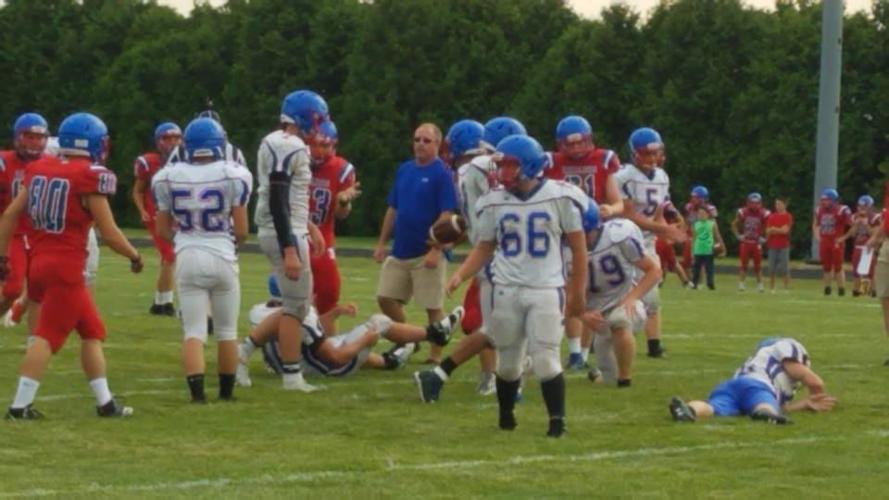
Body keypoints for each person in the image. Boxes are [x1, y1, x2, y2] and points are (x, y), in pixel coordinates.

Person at [0, 112, 144, 419]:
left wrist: (2, 256)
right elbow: (109, 232)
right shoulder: (88, 175)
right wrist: (134, 255)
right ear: (94, 142)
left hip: (38, 261)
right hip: (66, 267)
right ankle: (19, 407)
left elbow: (10, 215)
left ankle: (105, 403)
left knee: (92, 330)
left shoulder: (39, 168)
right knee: (46, 337)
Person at [445, 134, 588, 438]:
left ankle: (557, 423)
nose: (504, 172)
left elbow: (578, 248)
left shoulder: (560, 195)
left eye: (511, 165)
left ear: (530, 164)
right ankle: (506, 416)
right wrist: (462, 274)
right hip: (507, 288)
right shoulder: (494, 200)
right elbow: (484, 246)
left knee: (546, 357)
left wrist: (578, 293)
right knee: (508, 363)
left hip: (546, 289)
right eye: (502, 165)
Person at [152, 117, 253, 403]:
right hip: (222, 253)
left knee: (193, 330)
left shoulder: (168, 175)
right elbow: (243, 231)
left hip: (187, 255)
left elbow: (161, 229)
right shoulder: (234, 174)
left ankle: (197, 396)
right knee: (226, 330)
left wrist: (185, 240)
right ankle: (226, 393)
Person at [413, 118, 507, 402]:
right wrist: (457, 233)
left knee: (483, 321)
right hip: (494, 251)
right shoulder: (486, 168)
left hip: (500, 256)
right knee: (483, 321)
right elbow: (482, 218)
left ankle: (496, 375)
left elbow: (490, 215)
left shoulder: (472, 169)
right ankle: (498, 373)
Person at [254, 89, 329, 392]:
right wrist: (290, 248)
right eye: (316, 118)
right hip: (283, 233)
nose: (319, 125)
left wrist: (308, 225)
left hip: (284, 229)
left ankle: (246, 351)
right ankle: (291, 375)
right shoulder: (289, 144)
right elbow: (278, 198)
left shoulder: (278, 142)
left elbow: (286, 199)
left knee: (295, 305)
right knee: (296, 307)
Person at [374, 122, 458, 365]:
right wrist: (381, 243)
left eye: (426, 140)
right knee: (385, 297)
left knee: (432, 306)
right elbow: (393, 208)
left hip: (425, 251)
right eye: (416, 139)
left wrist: (436, 249)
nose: (420, 144)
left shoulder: (442, 174)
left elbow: (446, 215)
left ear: (438, 145)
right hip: (400, 250)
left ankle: (435, 355)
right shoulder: (405, 169)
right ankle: (410, 337)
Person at [544, 115, 623, 370]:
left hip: (593, 235)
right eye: (570, 144)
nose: (576, 149)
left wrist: (609, 210)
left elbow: (618, 202)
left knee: (590, 295)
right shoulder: (550, 162)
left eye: (581, 143)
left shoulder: (603, 159)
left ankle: (583, 353)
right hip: (562, 236)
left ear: (590, 140)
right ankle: (576, 352)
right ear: (560, 144)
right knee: (570, 292)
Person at [237, 295, 463, 384]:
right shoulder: (301, 316)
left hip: (302, 361)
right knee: (379, 322)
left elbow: (317, 336)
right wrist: (366, 340)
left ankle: (391, 361)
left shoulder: (260, 314)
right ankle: (434, 333)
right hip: (327, 367)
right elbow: (337, 357)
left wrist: (334, 313)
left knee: (340, 340)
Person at [615, 127, 686, 358]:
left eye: (655, 153)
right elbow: (627, 214)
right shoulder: (622, 176)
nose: (652, 158)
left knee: (652, 297)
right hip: (622, 240)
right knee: (612, 293)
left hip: (646, 242)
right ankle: (601, 340)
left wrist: (667, 232)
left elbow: (657, 213)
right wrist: (663, 229)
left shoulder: (662, 177)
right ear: (635, 153)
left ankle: (654, 345)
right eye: (647, 154)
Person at [580, 200, 659, 387]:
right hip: (598, 311)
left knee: (619, 319)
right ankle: (600, 375)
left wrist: (632, 298)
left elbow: (654, 270)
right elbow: (567, 293)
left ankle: (625, 379)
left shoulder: (618, 235)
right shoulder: (566, 249)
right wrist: (582, 314)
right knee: (607, 379)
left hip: (625, 299)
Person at [669, 337, 837, 424]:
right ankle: (764, 414)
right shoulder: (783, 350)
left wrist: (806, 404)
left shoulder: (757, 361)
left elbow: (783, 408)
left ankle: (689, 409)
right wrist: (819, 397)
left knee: (712, 407)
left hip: (730, 387)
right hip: (757, 386)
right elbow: (814, 382)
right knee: (763, 405)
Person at [308, 120, 361, 328]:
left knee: (329, 292)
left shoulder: (342, 169)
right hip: (295, 235)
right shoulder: (296, 162)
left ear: (334, 145)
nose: (318, 151)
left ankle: (327, 347)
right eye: (314, 145)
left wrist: (343, 201)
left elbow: (341, 215)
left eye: (325, 146)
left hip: (323, 237)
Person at [0, 113, 49, 322]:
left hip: (39, 234)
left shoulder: (50, 164)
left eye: (39, 138)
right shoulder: (3, 162)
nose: (35, 142)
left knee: (41, 288)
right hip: (12, 232)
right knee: (12, 288)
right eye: (29, 137)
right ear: (18, 137)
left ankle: (33, 339)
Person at [132, 122, 182, 316]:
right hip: (156, 213)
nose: (172, 142)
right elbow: (137, 190)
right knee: (170, 256)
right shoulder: (150, 162)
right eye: (167, 138)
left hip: (174, 214)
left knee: (168, 258)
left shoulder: (185, 161)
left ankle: (161, 302)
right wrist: (142, 209)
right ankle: (164, 302)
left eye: (176, 138)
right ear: (158, 141)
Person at [813, 188, 851, 296]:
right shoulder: (819, 210)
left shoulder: (842, 210)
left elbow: (853, 226)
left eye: (827, 200)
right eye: (823, 200)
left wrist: (843, 238)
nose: (824, 202)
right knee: (826, 266)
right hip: (825, 241)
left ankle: (841, 290)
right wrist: (817, 235)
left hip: (836, 242)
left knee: (838, 267)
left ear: (833, 200)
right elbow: (815, 224)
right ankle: (827, 289)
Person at [731, 192, 770, 292]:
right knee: (744, 264)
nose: (754, 205)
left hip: (757, 242)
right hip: (746, 241)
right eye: (752, 203)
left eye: (756, 203)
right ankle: (741, 284)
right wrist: (738, 236)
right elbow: (734, 224)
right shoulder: (743, 212)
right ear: (748, 203)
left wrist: (766, 238)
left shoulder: (763, 213)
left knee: (758, 265)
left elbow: (768, 227)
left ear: (760, 203)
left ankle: (760, 284)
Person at [843, 195, 880, 297]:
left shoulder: (875, 218)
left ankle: (869, 291)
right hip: (857, 246)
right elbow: (853, 234)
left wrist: (866, 224)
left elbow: (875, 234)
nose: (861, 209)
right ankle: (856, 291)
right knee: (856, 271)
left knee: (869, 272)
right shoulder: (855, 217)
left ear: (870, 207)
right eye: (860, 206)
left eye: (864, 207)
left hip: (869, 248)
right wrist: (856, 224)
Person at [682, 185, 718, 270]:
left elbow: (714, 226)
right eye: (693, 197)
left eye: (696, 197)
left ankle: (698, 282)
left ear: (703, 198)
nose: (693, 199)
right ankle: (691, 282)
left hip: (702, 237)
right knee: (687, 262)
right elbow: (686, 222)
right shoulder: (689, 207)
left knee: (699, 262)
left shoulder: (709, 209)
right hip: (690, 236)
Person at [690, 206, 726, 290]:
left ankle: (710, 283)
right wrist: (692, 251)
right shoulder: (695, 224)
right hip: (698, 250)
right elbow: (694, 238)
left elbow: (717, 236)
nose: (701, 215)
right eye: (699, 213)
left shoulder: (711, 224)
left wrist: (723, 248)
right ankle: (694, 283)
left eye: (703, 213)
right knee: (696, 269)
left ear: (707, 215)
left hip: (708, 250)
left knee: (709, 268)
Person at [765, 197, 794, 292]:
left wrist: (774, 229)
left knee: (784, 268)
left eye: (779, 204)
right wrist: (777, 230)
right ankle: (772, 288)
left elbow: (785, 231)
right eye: (776, 204)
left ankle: (786, 288)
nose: (777, 206)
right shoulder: (771, 216)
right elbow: (768, 231)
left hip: (784, 245)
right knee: (771, 267)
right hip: (772, 245)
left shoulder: (788, 216)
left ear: (784, 205)